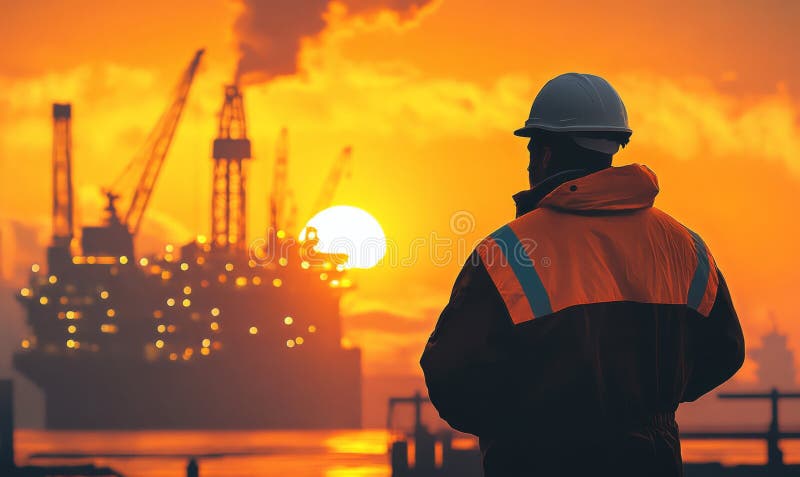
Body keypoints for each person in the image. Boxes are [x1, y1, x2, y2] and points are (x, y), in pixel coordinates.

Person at [419, 73, 745, 476]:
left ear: (545, 154)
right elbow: (724, 351)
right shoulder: (685, 246)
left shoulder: (508, 253)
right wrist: (650, 405)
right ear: (614, 147)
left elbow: (450, 376)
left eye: (532, 149)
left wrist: (521, 425)